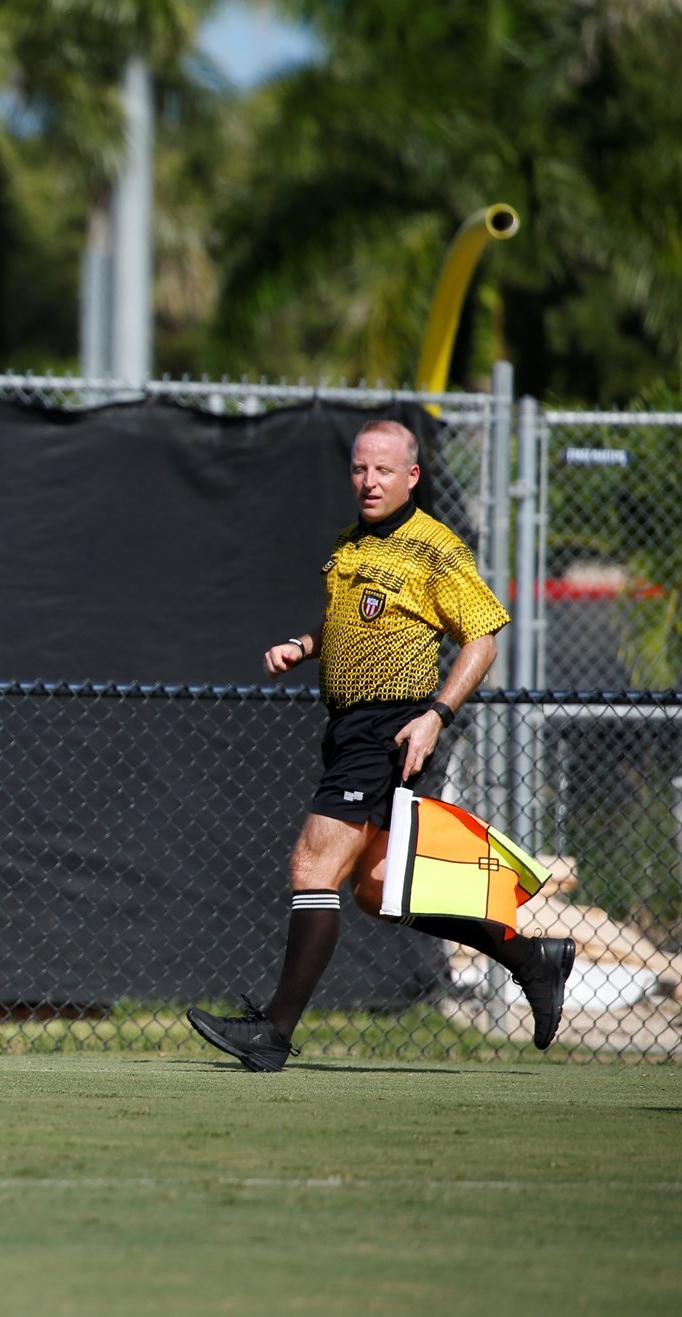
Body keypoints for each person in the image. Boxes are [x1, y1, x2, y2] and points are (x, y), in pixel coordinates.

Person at [187, 419, 573, 1072]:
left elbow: (481, 638)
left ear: (412, 476)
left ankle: (274, 1033)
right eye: (361, 469)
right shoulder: (352, 543)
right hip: (347, 729)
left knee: (313, 866)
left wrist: (436, 716)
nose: (369, 481)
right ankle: (532, 959)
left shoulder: (435, 547)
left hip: (389, 728)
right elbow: (346, 617)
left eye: (384, 470)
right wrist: (305, 645)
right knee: (374, 887)